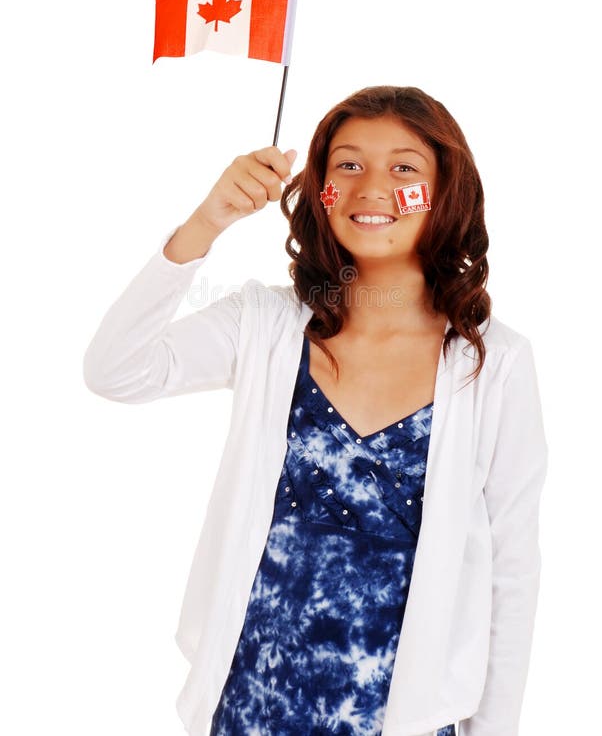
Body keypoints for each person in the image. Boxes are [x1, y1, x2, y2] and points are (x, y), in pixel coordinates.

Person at [83, 85, 548, 736]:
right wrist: (205, 223)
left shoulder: (493, 363)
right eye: (348, 164)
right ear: (320, 189)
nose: (371, 188)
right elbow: (115, 370)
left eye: (404, 168)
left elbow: (510, 571)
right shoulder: (266, 325)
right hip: (251, 708)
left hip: (399, 720)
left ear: (447, 192)